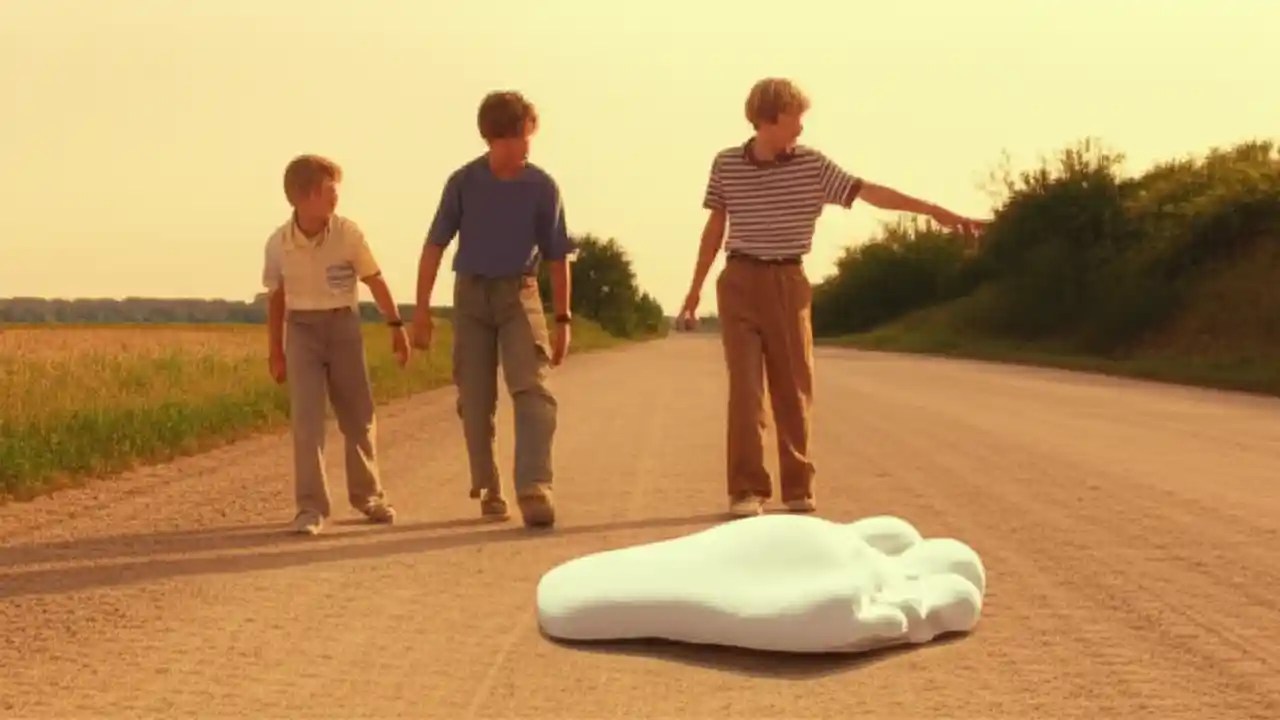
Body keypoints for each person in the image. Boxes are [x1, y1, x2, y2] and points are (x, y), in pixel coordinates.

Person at [676, 78, 988, 518]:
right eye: (795, 119)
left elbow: (870, 193)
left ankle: (798, 487)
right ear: (768, 120)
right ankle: (747, 490)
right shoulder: (727, 164)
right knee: (745, 392)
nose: (801, 129)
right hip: (740, 279)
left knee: (792, 387)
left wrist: (936, 212)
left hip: (789, 279)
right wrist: (693, 292)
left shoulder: (812, 166)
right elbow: (714, 229)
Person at [410, 90, 574, 529]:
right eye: (522, 137)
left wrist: (563, 319)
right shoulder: (463, 183)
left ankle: (534, 485)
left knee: (533, 389)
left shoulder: (542, 187)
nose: (527, 145)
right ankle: (489, 485)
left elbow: (557, 255)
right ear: (498, 138)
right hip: (471, 296)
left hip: (519, 293)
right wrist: (421, 311)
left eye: (528, 137)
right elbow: (435, 246)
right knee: (476, 398)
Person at [261, 153, 410, 535]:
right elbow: (276, 299)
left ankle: (369, 497)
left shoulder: (348, 234)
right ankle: (310, 508)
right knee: (307, 422)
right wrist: (275, 351)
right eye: (330, 190)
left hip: (343, 326)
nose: (335, 198)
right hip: (302, 332)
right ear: (304, 196)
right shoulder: (278, 244)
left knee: (358, 416)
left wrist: (396, 325)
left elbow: (374, 279)